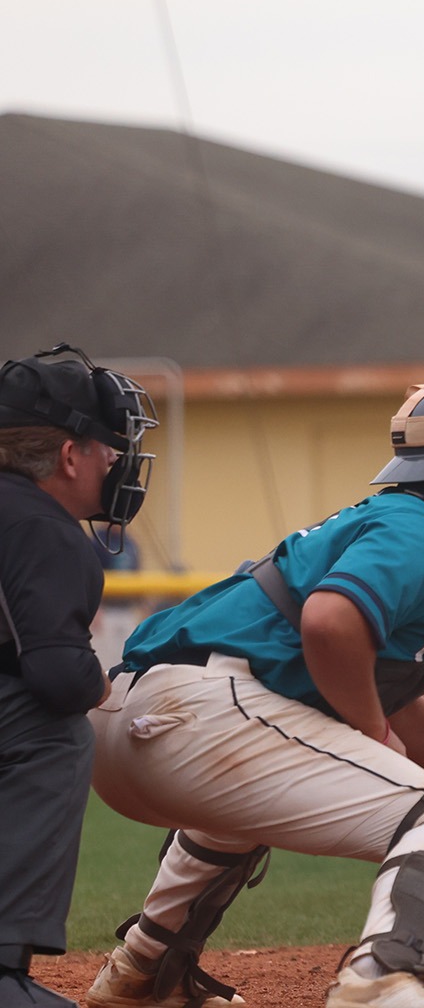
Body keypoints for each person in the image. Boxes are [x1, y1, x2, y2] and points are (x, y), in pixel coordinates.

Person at [82, 372, 424, 1008]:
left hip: (129, 724)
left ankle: (143, 971)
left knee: (241, 816)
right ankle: (383, 979)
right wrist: (369, 731)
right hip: (199, 715)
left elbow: (384, 697)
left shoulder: (387, 520)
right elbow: (331, 624)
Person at [0, 344, 158, 1008]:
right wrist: (102, 686)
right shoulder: (46, 528)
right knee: (57, 726)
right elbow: (61, 679)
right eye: (106, 448)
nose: (117, 461)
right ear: (69, 456)